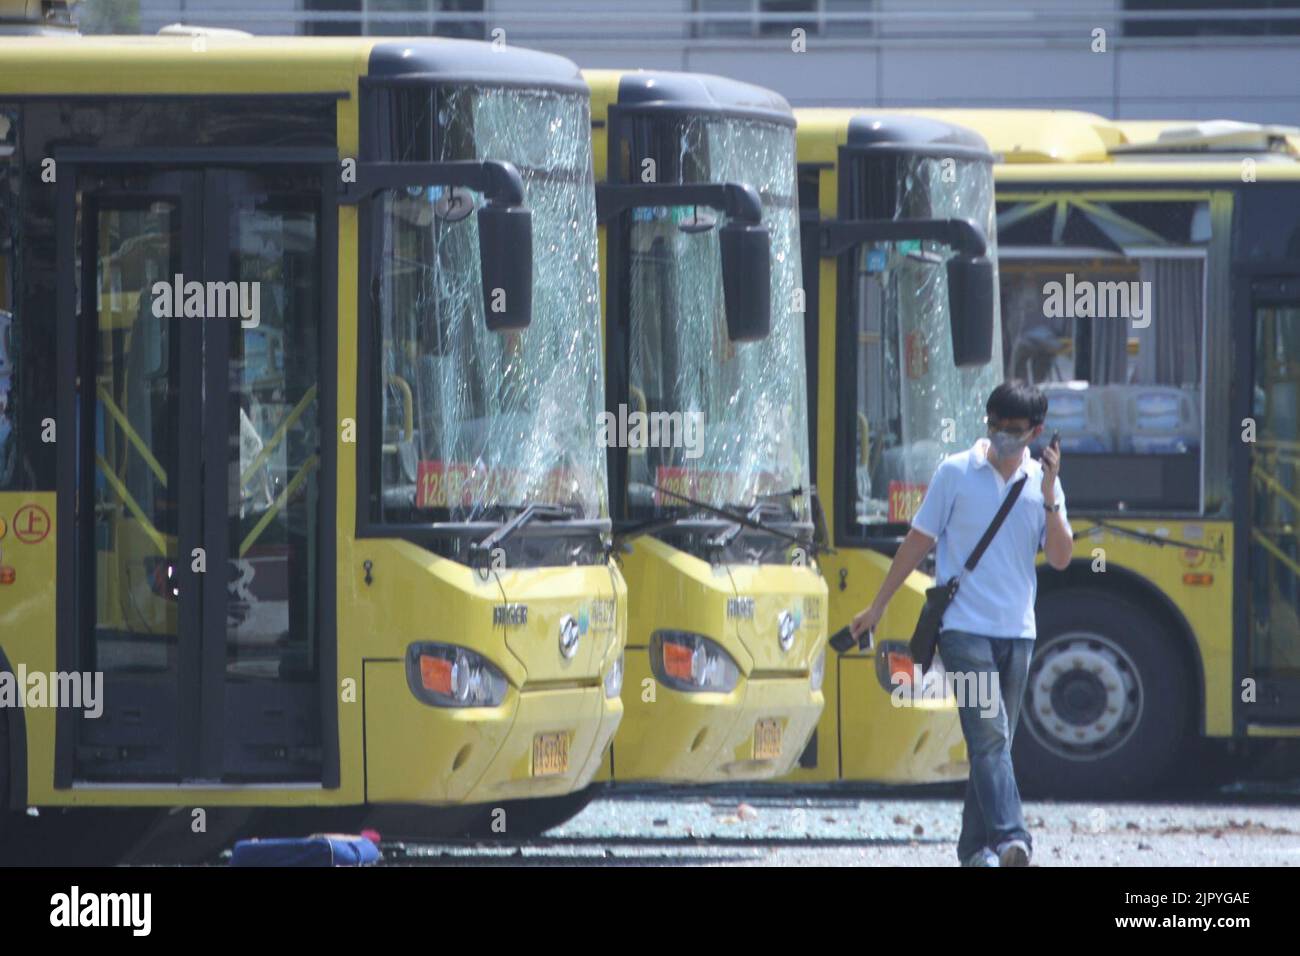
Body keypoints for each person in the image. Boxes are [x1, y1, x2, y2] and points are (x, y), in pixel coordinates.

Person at [850, 381, 1073, 867]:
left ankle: (974, 851)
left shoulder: (1042, 484)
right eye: (994, 426)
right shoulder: (954, 472)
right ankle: (1014, 839)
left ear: (1037, 432)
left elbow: (1059, 559)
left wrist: (1052, 496)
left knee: (992, 745)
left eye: (1014, 430)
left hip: (1019, 633)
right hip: (961, 631)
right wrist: (877, 606)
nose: (1001, 437)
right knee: (991, 738)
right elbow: (916, 543)